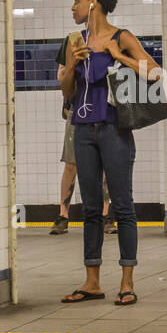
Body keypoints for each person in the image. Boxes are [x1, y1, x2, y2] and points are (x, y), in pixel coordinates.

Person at [58, 0, 160, 306]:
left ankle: (127, 282)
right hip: (84, 130)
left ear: (94, 4)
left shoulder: (122, 36)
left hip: (115, 130)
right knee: (89, 208)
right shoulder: (75, 40)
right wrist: (71, 66)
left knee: (123, 206)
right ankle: (92, 281)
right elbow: (69, 93)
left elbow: (155, 73)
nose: (72, 6)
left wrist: (118, 55)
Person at [51, 40, 113, 236]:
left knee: (105, 165)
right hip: (78, 109)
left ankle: (105, 216)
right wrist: (73, 64)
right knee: (72, 163)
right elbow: (61, 77)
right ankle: (63, 215)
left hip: (104, 109)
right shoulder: (71, 43)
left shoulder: (109, 41)